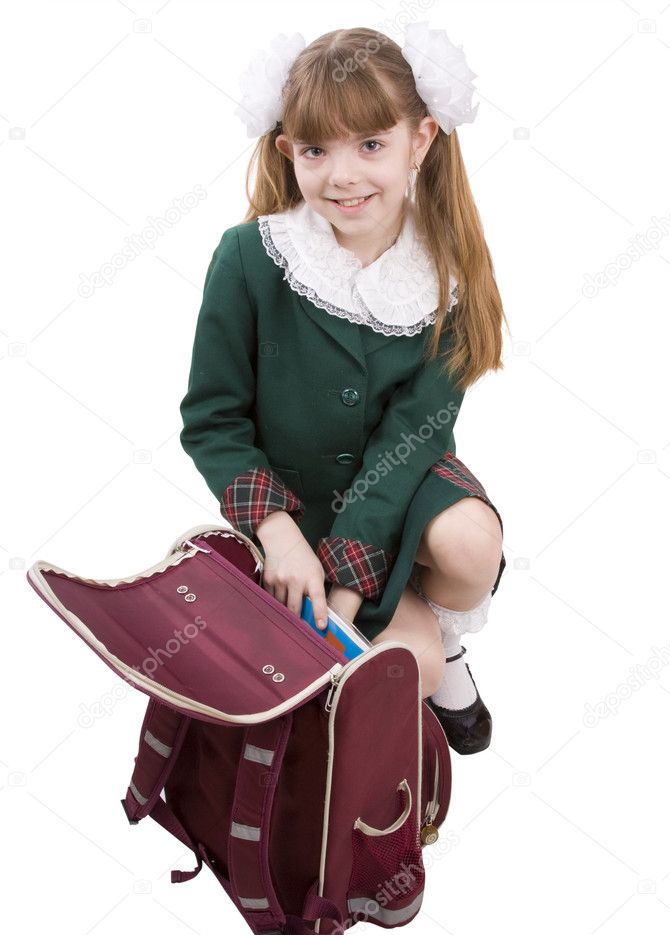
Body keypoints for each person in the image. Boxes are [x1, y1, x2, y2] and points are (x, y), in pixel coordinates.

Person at [179, 22, 509, 754]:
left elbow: (410, 440)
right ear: (287, 150)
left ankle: (435, 622)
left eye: (370, 145)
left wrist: (347, 596)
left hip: (405, 485)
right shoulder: (248, 258)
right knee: (408, 667)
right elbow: (212, 420)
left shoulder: (447, 277)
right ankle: (431, 646)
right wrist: (279, 533)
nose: (343, 175)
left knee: (468, 544)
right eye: (317, 149)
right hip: (292, 504)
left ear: (419, 141)